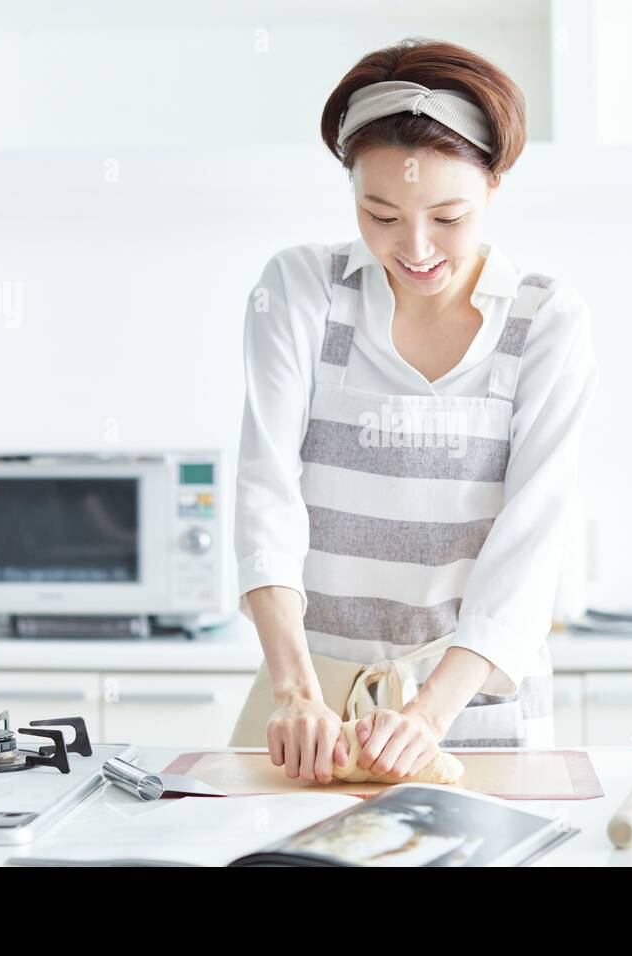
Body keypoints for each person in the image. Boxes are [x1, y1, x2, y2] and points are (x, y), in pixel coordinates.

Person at [231, 38, 598, 785]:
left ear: (495, 185)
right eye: (381, 214)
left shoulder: (546, 320)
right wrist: (296, 689)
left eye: (448, 216)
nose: (417, 247)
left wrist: (427, 717)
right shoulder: (302, 289)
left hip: (471, 707)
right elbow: (265, 492)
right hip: (312, 705)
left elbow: (529, 549)